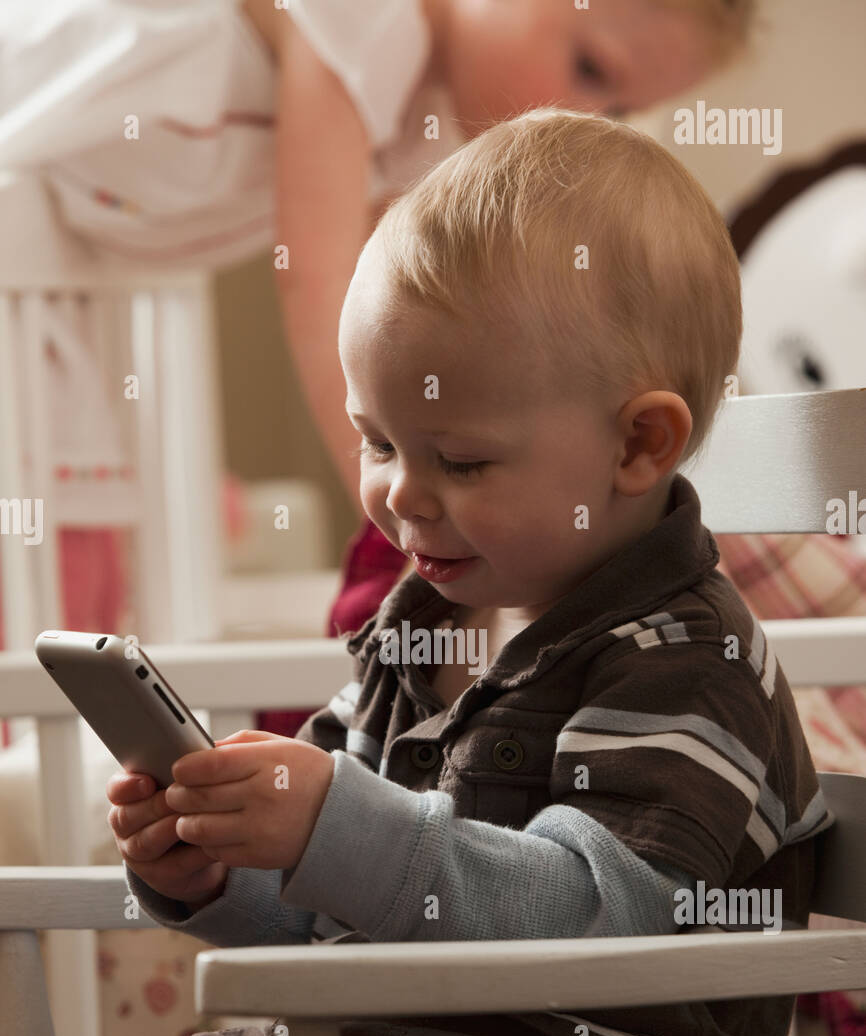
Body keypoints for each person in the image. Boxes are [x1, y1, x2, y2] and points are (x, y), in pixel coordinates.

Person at [0, 108, 831, 1036]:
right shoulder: (423, 621)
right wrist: (219, 868)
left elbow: (614, 922)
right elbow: (342, 925)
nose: (399, 495)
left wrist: (338, 823)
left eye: (460, 459)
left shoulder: (682, 662)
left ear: (639, 444)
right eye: (375, 439)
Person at [0, 0, 756, 718]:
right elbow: (329, 282)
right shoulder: (372, 17)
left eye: (620, 111)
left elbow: (408, 315)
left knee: (76, 549)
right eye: (591, 69)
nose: (589, 116)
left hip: (56, 257)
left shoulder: (419, 118)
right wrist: (413, 499)